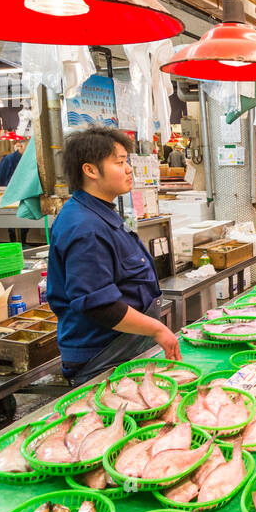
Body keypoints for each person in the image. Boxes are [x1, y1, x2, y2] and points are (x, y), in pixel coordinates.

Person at [46, 128, 181, 386]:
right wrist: (157, 328)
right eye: (120, 162)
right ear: (91, 170)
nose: (129, 168)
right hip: (103, 355)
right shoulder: (84, 226)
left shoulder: (99, 212)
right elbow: (98, 304)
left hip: (123, 344)